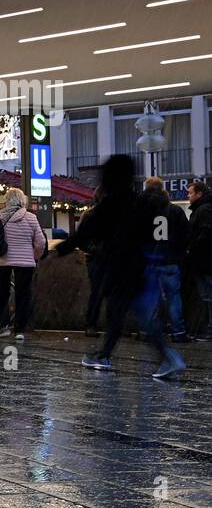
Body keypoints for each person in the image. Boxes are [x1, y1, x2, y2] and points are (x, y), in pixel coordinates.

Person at [57, 155, 184, 378]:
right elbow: (156, 234)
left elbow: (84, 234)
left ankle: (108, 355)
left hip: (119, 269)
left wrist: (58, 250)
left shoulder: (110, 205)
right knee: (141, 314)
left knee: (117, 312)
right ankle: (164, 356)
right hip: (143, 267)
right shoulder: (142, 203)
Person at [0, 188, 45, 340]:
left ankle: (4, 327)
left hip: (2, 261)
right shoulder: (30, 217)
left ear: (7, 201)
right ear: (22, 200)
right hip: (25, 262)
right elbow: (40, 242)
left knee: (3, 293)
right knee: (23, 295)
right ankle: (20, 330)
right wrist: (35, 257)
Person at [143, 177, 190, 343]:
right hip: (170, 260)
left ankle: (148, 332)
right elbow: (186, 235)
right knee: (173, 297)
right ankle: (178, 332)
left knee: (151, 298)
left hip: (149, 262)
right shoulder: (175, 210)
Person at [80, 188, 107, 337]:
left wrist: (92, 249)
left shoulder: (88, 215)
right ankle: (93, 324)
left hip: (95, 259)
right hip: (103, 259)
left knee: (96, 293)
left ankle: (91, 324)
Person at [187, 179, 212, 342]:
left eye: (190, 193)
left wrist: (191, 248)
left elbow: (205, 234)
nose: (188, 195)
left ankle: (210, 330)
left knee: (208, 296)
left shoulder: (203, 210)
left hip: (205, 262)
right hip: (203, 262)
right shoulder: (202, 209)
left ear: (199, 194)